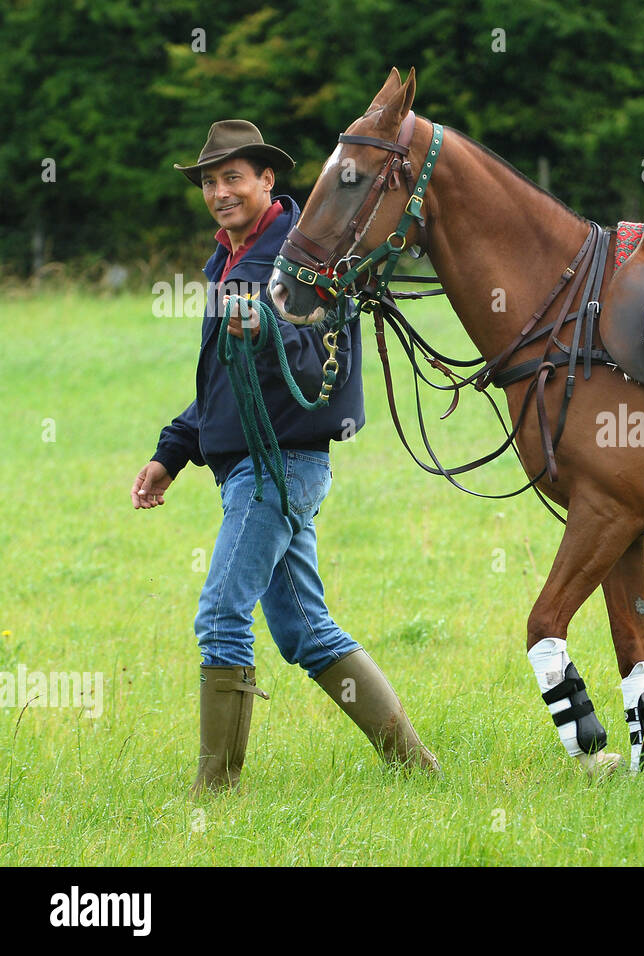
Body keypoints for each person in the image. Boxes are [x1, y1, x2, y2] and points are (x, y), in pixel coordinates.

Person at [133, 120, 438, 797]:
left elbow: (324, 364)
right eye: (210, 181)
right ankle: (414, 766)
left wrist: (268, 326)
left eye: (232, 177)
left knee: (220, 614)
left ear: (267, 180)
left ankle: (216, 791)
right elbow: (220, 383)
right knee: (304, 628)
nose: (219, 191)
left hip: (279, 466)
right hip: (251, 464)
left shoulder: (303, 258)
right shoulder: (229, 261)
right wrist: (171, 453)